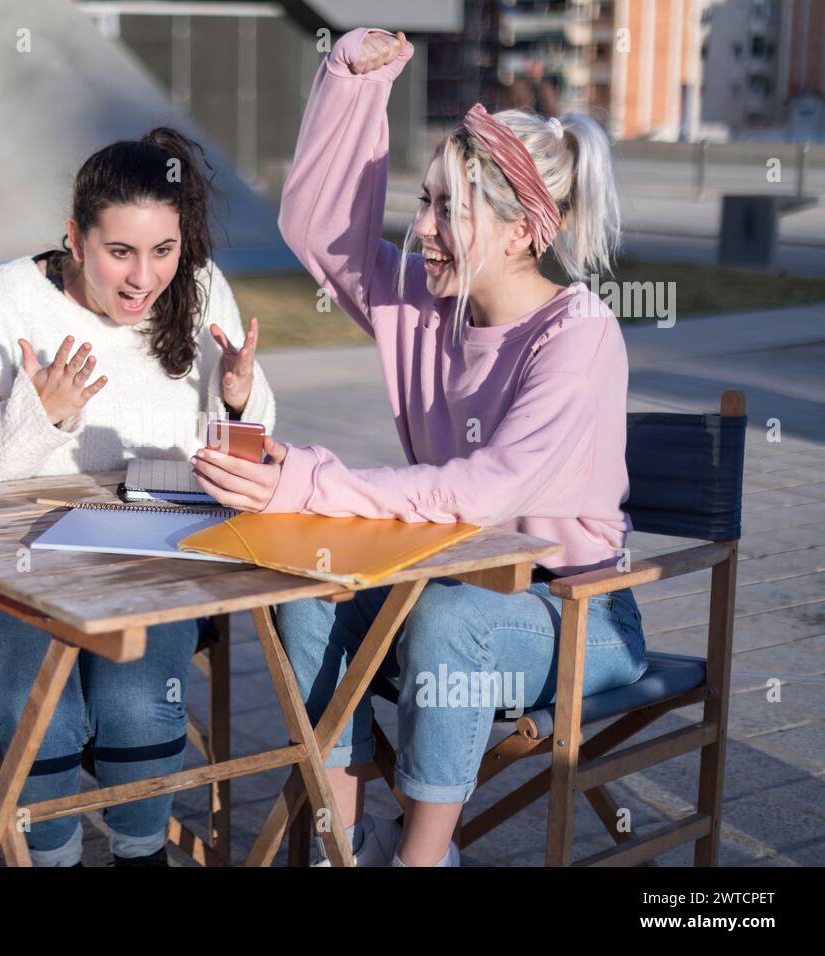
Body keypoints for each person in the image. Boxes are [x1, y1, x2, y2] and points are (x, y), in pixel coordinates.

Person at [190, 28, 646, 867]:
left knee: (449, 618)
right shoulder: (427, 305)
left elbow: (480, 492)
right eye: (423, 200)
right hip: (444, 579)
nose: (421, 227)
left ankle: (424, 856)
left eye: (446, 208)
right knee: (305, 584)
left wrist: (306, 480)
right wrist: (356, 84)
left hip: (577, 615)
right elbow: (321, 229)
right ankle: (345, 839)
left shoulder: (579, 335)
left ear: (518, 235)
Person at [0, 129, 276, 866]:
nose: (142, 278)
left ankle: (140, 852)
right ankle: (50, 856)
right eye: (119, 251)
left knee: (138, 699)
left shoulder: (202, 288)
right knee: (39, 708)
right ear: (75, 239)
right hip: (16, 558)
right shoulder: (7, 298)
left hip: (151, 553)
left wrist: (241, 406)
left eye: (162, 251)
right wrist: (39, 415)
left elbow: (248, 463)